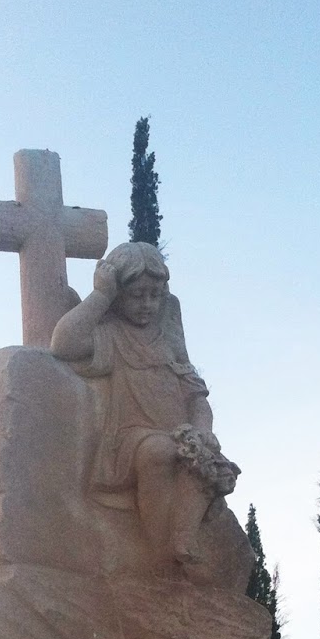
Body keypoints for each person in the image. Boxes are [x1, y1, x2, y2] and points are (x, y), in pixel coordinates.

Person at [50, 242, 240, 579]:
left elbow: (196, 394)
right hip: (128, 444)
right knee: (159, 450)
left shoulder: (168, 342)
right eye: (137, 295)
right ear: (118, 294)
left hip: (181, 437)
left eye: (155, 295)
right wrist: (100, 296)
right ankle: (160, 552)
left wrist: (204, 429)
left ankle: (183, 542)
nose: (147, 304)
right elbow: (63, 343)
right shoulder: (112, 335)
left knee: (202, 462)